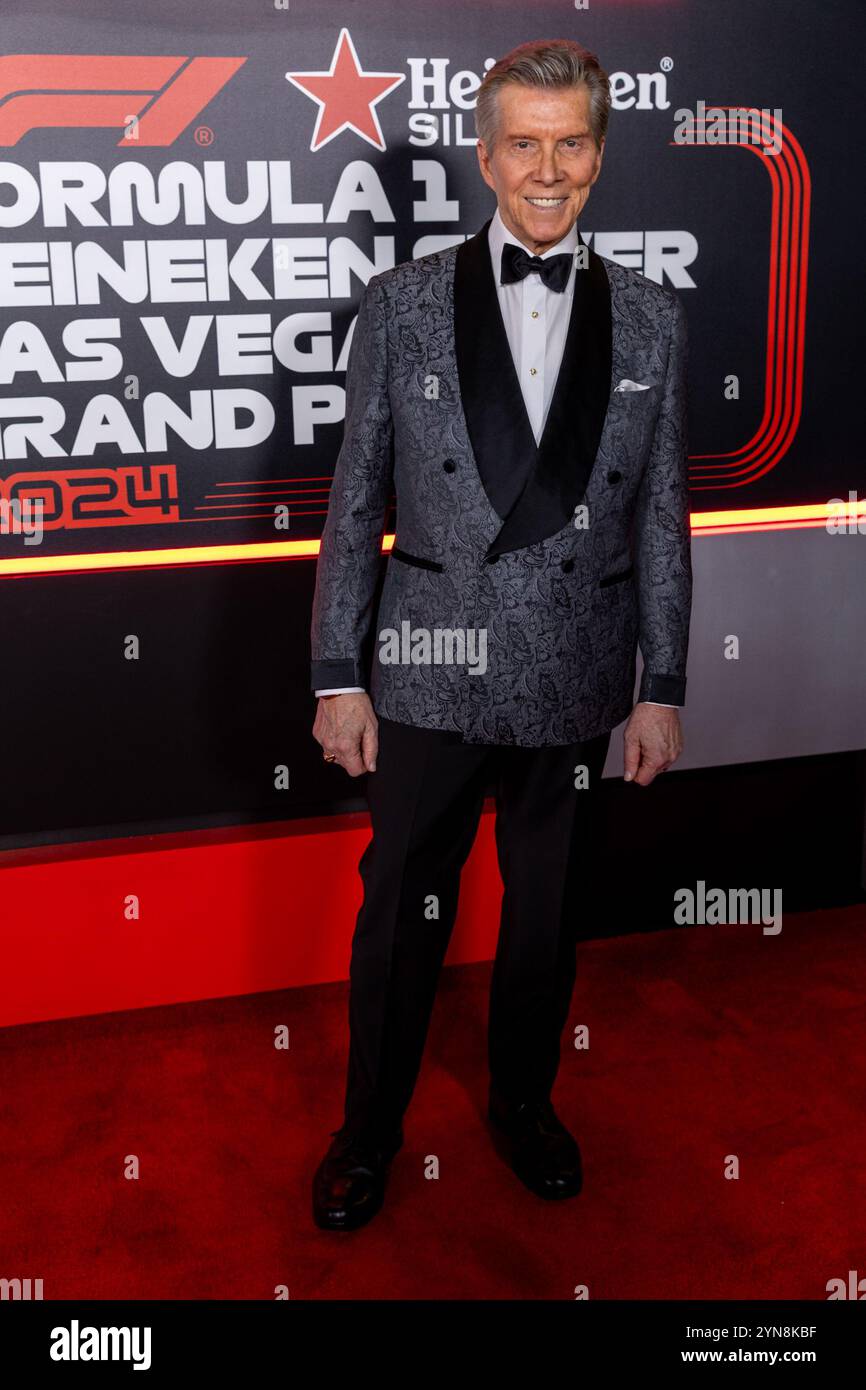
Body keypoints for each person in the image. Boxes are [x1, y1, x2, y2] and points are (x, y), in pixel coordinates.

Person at [308, 37, 692, 1230]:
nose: (545, 167)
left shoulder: (649, 316)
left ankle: (523, 1102)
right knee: (397, 917)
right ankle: (368, 1129)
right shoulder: (404, 303)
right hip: (425, 665)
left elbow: (665, 517)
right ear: (484, 154)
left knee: (544, 916)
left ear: (598, 154)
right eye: (521, 143)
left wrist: (663, 681)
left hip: (578, 671)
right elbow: (353, 503)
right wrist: (336, 674)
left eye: (569, 143)